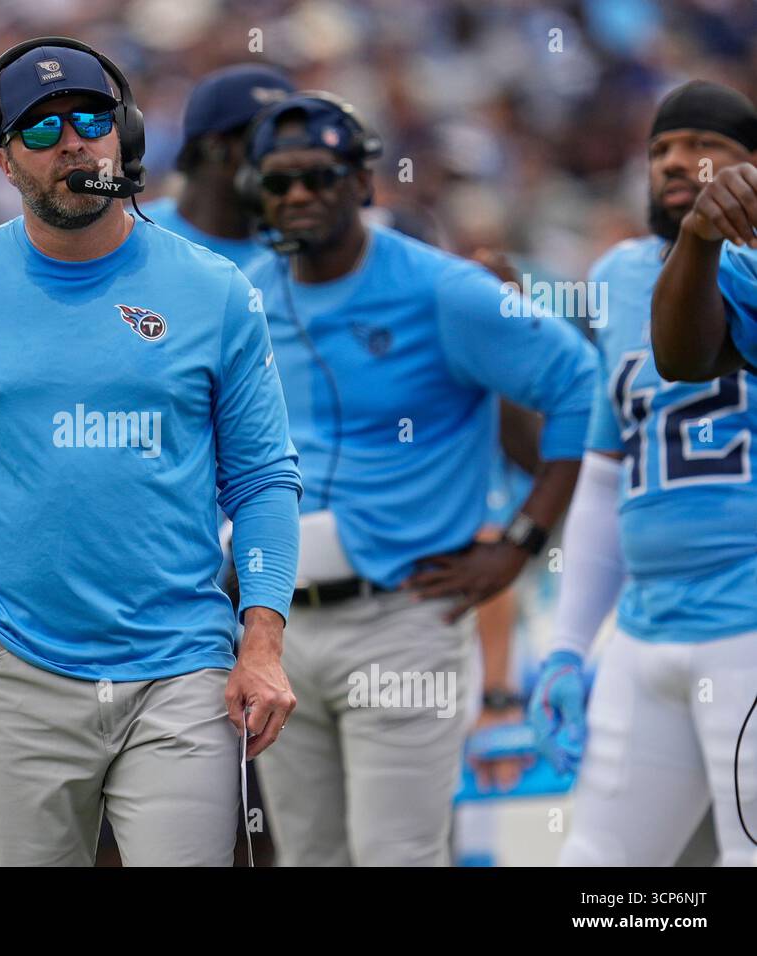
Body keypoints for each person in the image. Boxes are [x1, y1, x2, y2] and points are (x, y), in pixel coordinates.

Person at [0, 37, 302, 866]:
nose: (74, 140)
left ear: (127, 136)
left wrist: (262, 641)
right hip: (11, 675)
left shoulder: (213, 290)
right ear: (5, 161)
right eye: (42, 131)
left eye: (92, 119)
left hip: (179, 672)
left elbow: (262, 478)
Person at [242, 92, 597, 866]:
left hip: (402, 615)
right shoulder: (240, 294)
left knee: (397, 853)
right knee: (308, 857)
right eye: (278, 180)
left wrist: (521, 542)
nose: (298, 194)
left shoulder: (442, 289)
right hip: (274, 627)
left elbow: (578, 385)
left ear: (362, 182)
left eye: (319, 175)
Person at [534, 81, 757, 865]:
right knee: (596, 869)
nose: (673, 162)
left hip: (748, 618)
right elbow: (604, 474)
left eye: (700, 147)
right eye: (659, 148)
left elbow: (694, 353)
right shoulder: (619, 276)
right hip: (646, 622)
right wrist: (568, 644)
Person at [145, 64, 293, 272]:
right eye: (266, 140)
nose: (285, 159)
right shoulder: (132, 236)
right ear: (214, 146)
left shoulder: (296, 253)